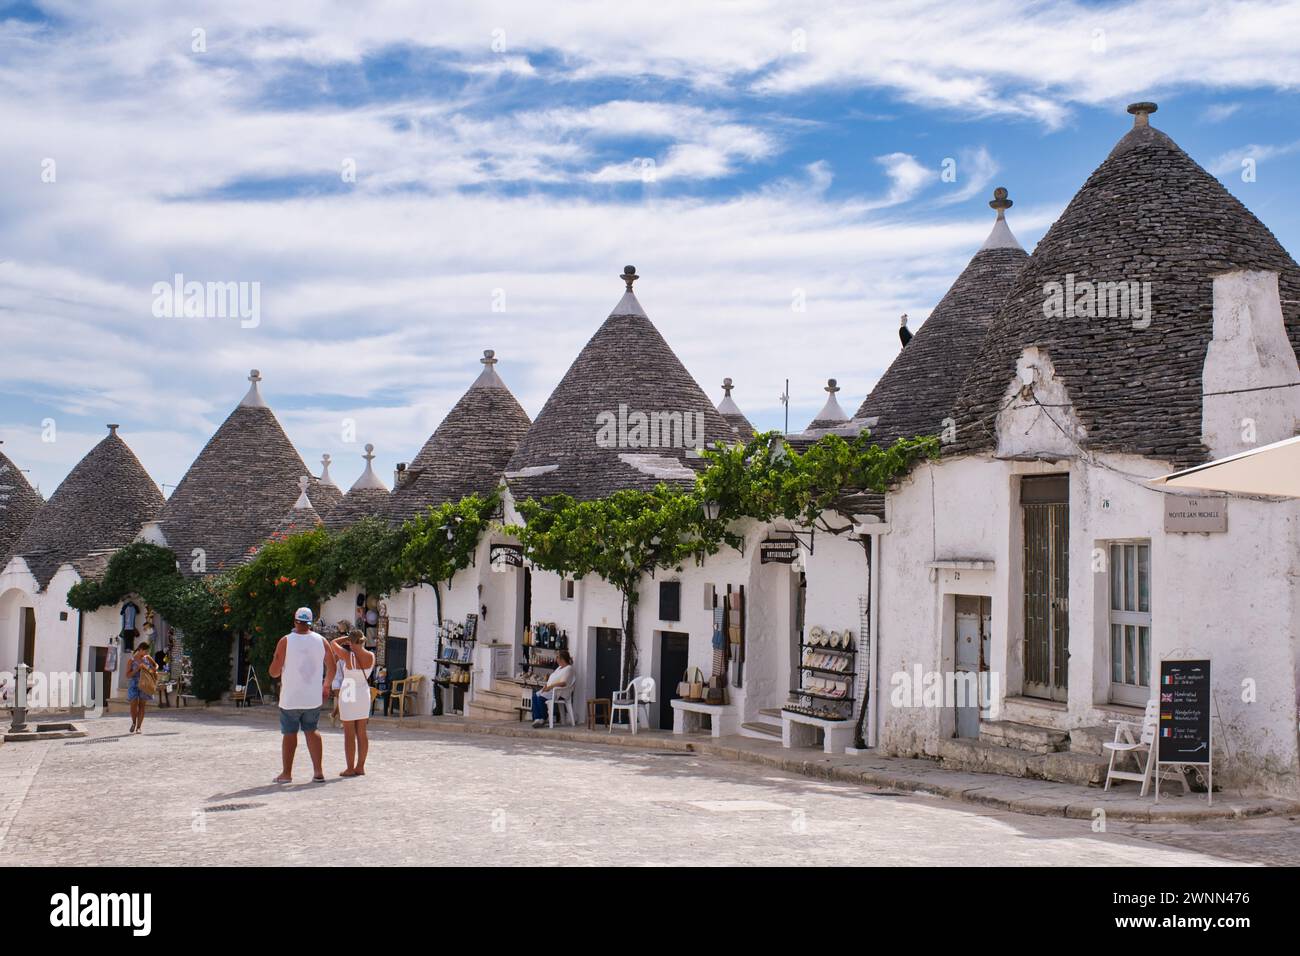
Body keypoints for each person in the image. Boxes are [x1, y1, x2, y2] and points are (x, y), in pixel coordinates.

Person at [268, 607, 332, 783]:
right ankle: (318, 771)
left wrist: (276, 665)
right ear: (311, 622)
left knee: (289, 733)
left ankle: (287, 773)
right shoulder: (321, 641)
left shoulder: (285, 641)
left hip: (291, 697)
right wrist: (326, 685)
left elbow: (274, 672)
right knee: (312, 730)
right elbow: (332, 665)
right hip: (312, 698)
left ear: (295, 620)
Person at [327, 628, 376, 777]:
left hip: (349, 691)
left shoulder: (348, 656)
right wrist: (351, 639)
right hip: (363, 692)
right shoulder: (371, 656)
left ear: (351, 642)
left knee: (349, 733)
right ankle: (360, 766)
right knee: (362, 732)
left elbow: (332, 643)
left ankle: (349, 768)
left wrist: (345, 638)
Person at [531, 650, 575, 727]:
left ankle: (543, 718)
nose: (556, 659)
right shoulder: (559, 668)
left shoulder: (568, 668)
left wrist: (550, 687)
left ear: (562, 659)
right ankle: (537, 718)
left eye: (557, 658)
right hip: (551, 689)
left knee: (541, 698)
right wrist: (546, 686)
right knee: (535, 696)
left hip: (559, 692)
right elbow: (553, 679)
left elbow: (563, 683)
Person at [126, 642, 158, 734]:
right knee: (133, 704)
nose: (146, 652)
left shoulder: (147, 657)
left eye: (147, 651)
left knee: (142, 706)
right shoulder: (131, 660)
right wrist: (137, 669)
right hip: (134, 683)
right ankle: (133, 722)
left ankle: (139, 727)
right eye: (145, 650)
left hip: (145, 683)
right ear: (140, 649)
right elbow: (127, 675)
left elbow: (156, 665)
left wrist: (153, 670)